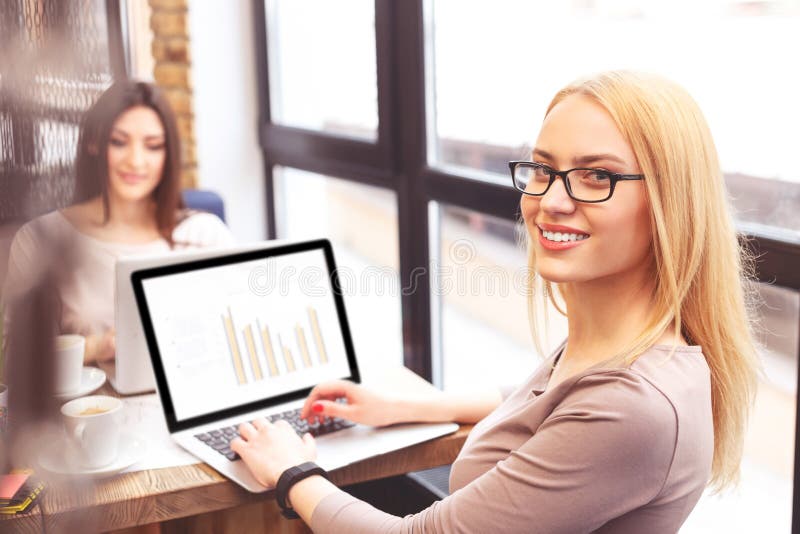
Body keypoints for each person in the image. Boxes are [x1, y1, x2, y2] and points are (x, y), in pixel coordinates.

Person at [230, 71, 760, 533]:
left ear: (671, 202)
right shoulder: (618, 349)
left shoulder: (634, 406)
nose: (550, 201)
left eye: (596, 175)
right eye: (543, 169)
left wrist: (292, 473)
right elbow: (549, 404)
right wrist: (407, 407)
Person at [2, 80, 234, 364]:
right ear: (94, 142)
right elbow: (17, 361)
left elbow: (239, 336)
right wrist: (97, 347)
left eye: (153, 146)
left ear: (168, 154)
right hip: (90, 406)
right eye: (119, 142)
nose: (136, 161)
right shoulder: (40, 239)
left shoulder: (205, 234)